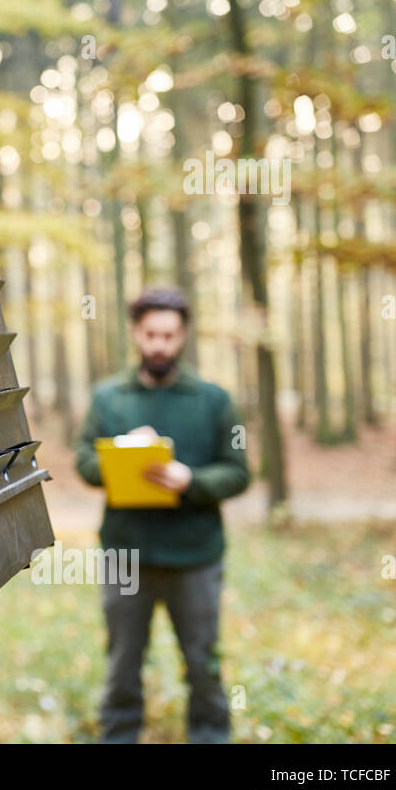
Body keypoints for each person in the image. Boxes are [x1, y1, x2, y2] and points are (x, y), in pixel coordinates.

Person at [74, 286, 251, 743]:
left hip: (195, 555)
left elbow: (238, 473)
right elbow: (84, 464)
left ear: (184, 336)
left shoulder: (216, 401)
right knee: (122, 663)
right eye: (151, 334)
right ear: (136, 333)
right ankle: (119, 736)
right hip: (125, 556)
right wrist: (124, 456)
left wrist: (189, 481)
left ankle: (211, 735)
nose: (159, 345)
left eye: (169, 335)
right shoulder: (108, 398)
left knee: (202, 662)